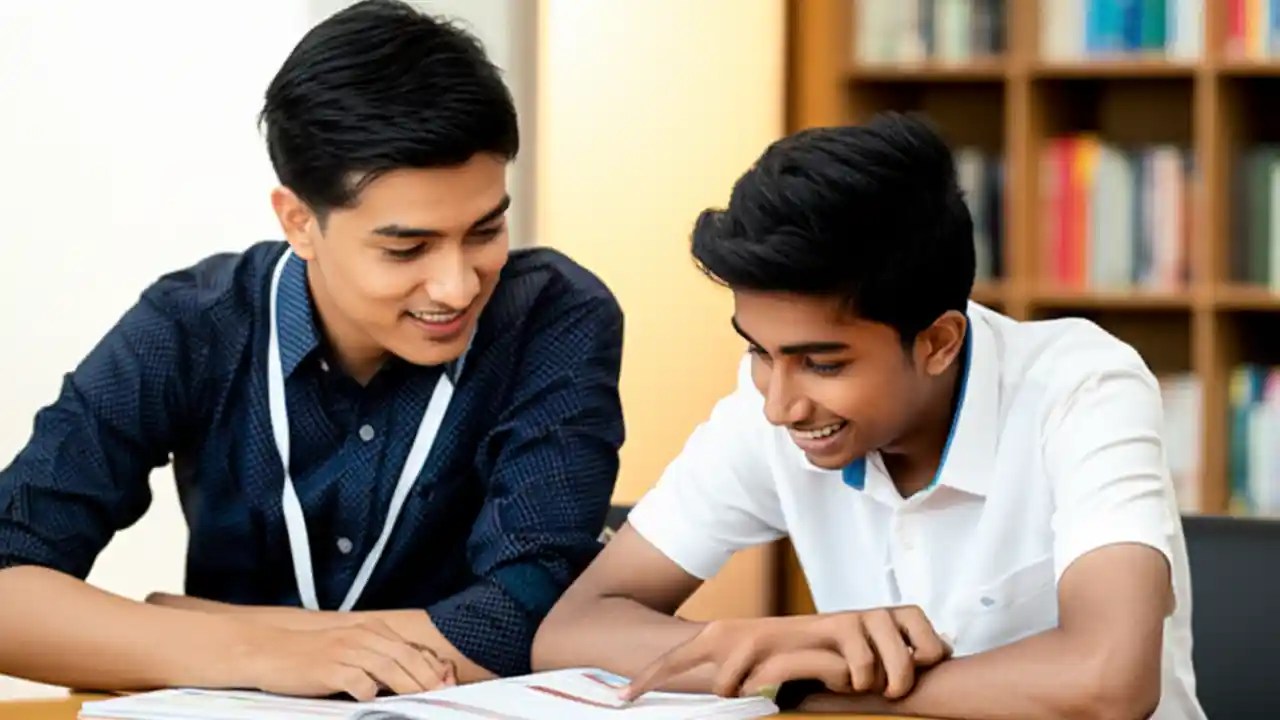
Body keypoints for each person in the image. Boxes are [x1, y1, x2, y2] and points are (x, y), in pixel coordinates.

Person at [0, 0, 623, 703]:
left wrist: (216, 630)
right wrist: (252, 652)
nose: (456, 285)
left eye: (484, 231)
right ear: (299, 221)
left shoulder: (552, 315)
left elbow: (538, 615)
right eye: (407, 248)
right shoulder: (191, 327)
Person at [531, 112, 1206, 719]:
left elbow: (1109, 683)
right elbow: (572, 631)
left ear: (939, 342)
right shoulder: (772, 403)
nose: (778, 405)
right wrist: (787, 643)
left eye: (824, 363)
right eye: (758, 351)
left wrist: (804, 683)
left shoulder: (1082, 387)